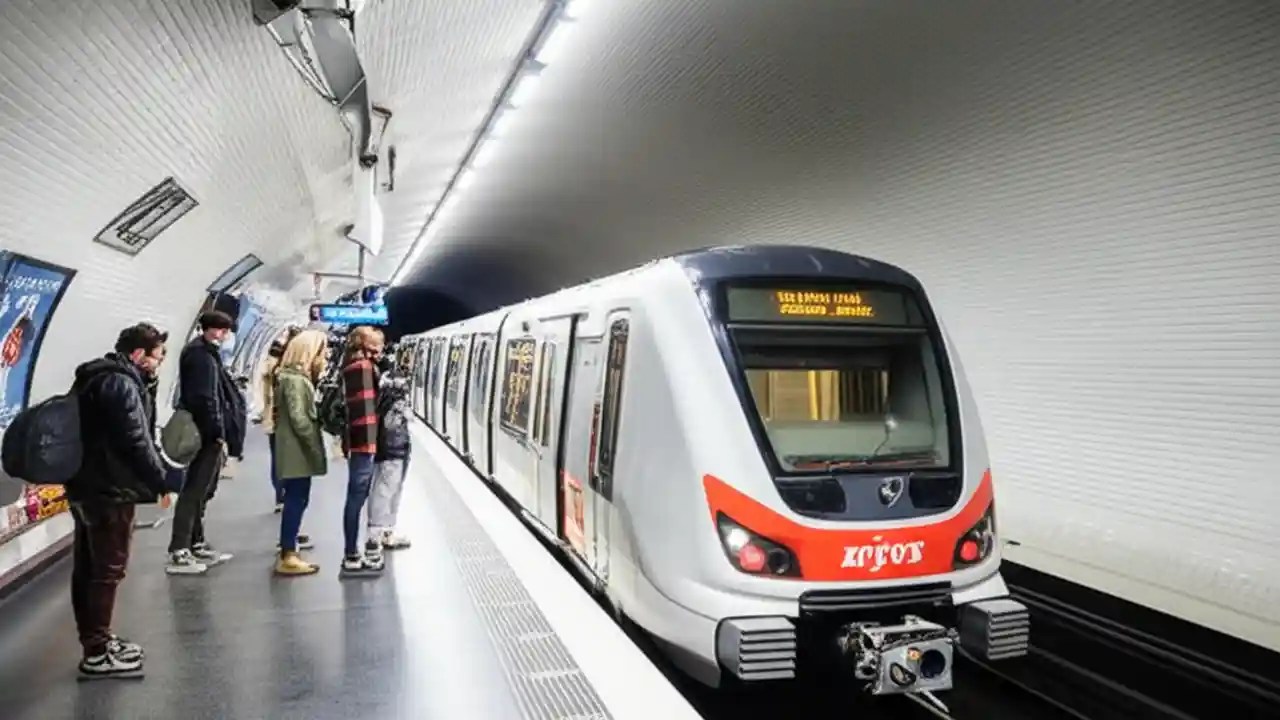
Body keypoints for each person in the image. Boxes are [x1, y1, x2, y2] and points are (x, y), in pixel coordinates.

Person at [65, 323, 171, 678]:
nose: (158, 364)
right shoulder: (121, 384)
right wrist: (161, 481)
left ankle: (97, 640)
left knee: (89, 568)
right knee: (107, 570)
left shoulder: (96, 377)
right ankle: (96, 652)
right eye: (156, 357)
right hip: (110, 489)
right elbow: (135, 441)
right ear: (138, 354)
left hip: (87, 486)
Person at [165, 310, 246, 575]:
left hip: (207, 431)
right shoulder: (201, 356)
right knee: (194, 490)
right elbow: (206, 398)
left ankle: (195, 542)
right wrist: (217, 431)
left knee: (202, 489)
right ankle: (180, 550)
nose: (223, 335)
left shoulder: (205, 353)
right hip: (205, 433)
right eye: (219, 330)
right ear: (207, 329)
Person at [272, 329, 329, 575]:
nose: (324, 357)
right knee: (297, 499)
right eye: (321, 352)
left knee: (296, 498)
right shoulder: (296, 380)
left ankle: (289, 546)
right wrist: (314, 443)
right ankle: (288, 554)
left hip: (290, 446)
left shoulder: (287, 377)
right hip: (296, 448)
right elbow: (299, 418)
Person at [341, 325, 386, 575]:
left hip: (356, 443)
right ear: (367, 346)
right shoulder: (364, 369)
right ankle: (351, 554)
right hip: (364, 445)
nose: (381, 349)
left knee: (354, 499)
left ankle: (351, 552)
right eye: (377, 344)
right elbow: (367, 413)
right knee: (356, 498)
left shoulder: (350, 366)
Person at [367, 351, 412, 552]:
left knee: (391, 490)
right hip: (392, 450)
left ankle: (387, 531)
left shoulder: (384, 396)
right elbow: (391, 424)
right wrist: (401, 412)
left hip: (394, 449)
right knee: (385, 491)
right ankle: (375, 536)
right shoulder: (391, 401)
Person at [261, 339, 286, 512]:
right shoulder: (283, 372)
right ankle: (284, 494)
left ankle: (280, 495)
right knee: (285, 460)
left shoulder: (269, 368)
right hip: (282, 420)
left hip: (272, 420)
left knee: (277, 460)